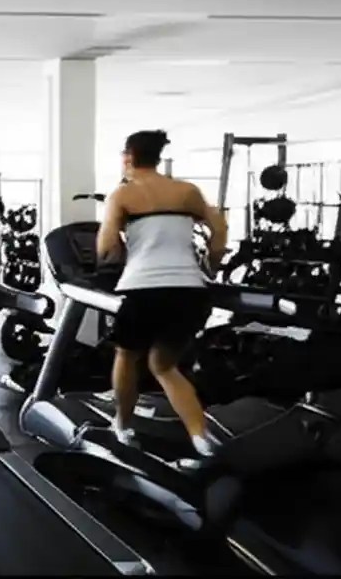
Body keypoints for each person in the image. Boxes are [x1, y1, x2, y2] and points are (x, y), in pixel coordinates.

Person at [97, 130, 228, 457]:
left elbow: (105, 248)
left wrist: (116, 253)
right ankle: (200, 436)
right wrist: (211, 263)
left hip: (143, 290)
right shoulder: (187, 191)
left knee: (127, 356)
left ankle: (123, 426)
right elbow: (220, 229)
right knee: (164, 365)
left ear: (128, 157)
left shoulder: (122, 195)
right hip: (189, 293)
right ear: (157, 157)